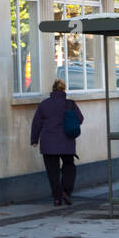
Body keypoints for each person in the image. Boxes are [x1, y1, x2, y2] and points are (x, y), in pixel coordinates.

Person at [31, 78, 84, 206]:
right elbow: (80, 119)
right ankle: (66, 191)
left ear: (52, 90)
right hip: (67, 141)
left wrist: (34, 140)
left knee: (52, 171)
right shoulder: (70, 104)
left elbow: (36, 123)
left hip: (48, 143)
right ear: (63, 90)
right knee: (69, 166)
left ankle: (57, 198)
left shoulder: (44, 104)